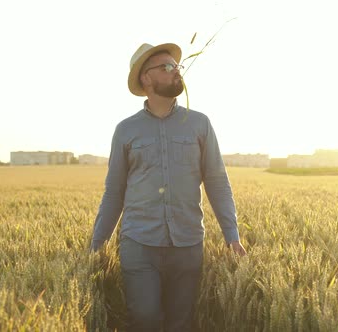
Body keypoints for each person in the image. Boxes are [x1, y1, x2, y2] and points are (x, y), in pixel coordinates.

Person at [90, 42, 247, 332]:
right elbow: (114, 192)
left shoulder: (200, 123)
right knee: (145, 319)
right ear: (146, 79)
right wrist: (96, 246)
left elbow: (217, 181)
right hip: (139, 244)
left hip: (187, 244)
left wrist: (232, 235)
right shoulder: (125, 130)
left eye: (177, 66)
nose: (176, 71)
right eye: (166, 67)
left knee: (181, 323)